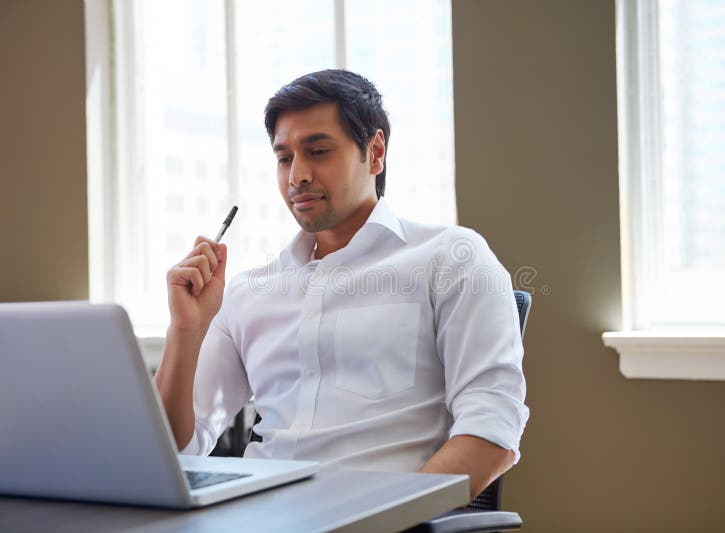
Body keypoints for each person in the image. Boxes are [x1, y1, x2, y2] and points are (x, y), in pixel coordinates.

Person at [154, 69, 528, 500]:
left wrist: (381, 520)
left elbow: (491, 431)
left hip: (386, 520)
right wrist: (186, 331)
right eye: (284, 158)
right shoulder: (245, 293)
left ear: (375, 152)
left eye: (317, 151)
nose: (297, 176)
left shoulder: (451, 258)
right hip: (258, 517)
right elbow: (175, 449)